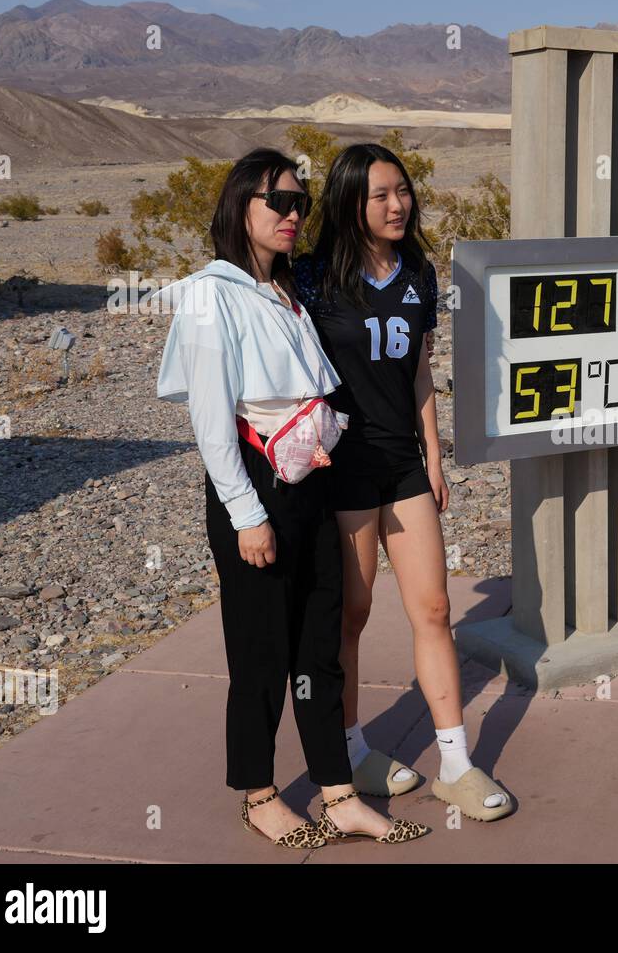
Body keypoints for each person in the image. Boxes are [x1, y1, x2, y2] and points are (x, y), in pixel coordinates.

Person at [156, 148, 430, 848]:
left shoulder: (287, 290)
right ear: (238, 209)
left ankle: (338, 794)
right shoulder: (210, 294)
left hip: (312, 485)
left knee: (320, 649)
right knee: (260, 654)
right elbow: (212, 423)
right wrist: (247, 516)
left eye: (299, 202)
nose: (291, 214)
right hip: (256, 493)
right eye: (275, 201)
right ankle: (258, 793)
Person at [294, 143, 514, 822]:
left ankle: (456, 763)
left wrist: (435, 456)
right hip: (344, 471)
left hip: (403, 467)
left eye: (403, 191)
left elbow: (419, 371)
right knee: (352, 617)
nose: (398, 205)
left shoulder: (418, 272)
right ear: (348, 202)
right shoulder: (311, 278)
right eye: (381, 194)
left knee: (435, 610)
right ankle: (353, 748)